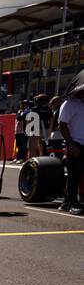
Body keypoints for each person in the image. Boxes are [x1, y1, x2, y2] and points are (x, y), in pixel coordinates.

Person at [58, 82, 84, 215]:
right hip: (75, 144)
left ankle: (72, 200)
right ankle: (71, 202)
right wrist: (71, 144)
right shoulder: (70, 104)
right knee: (74, 175)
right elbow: (62, 125)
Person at [25, 93, 48, 159]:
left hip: (35, 130)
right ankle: (42, 161)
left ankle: (31, 162)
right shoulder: (48, 109)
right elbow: (51, 120)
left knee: (31, 147)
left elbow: (30, 120)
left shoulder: (34, 109)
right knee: (41, 147)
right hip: (45, 130)